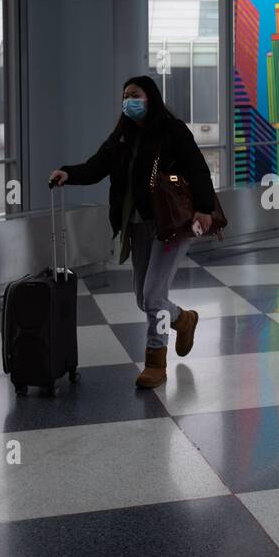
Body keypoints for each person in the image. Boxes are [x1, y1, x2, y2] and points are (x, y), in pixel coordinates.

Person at [50, 75, 216, 389]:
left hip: (173, 225)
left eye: (135, 94)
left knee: (153, 296)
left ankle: (156, 362)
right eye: (126, 96)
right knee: (143, 298)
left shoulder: (172, 130)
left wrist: (204, 208)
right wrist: (68, 174)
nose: (129, 101)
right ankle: (183, 319)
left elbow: (197, 168)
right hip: (138, 226)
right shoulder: (122, 137)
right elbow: (96, 166)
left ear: (150, 98)